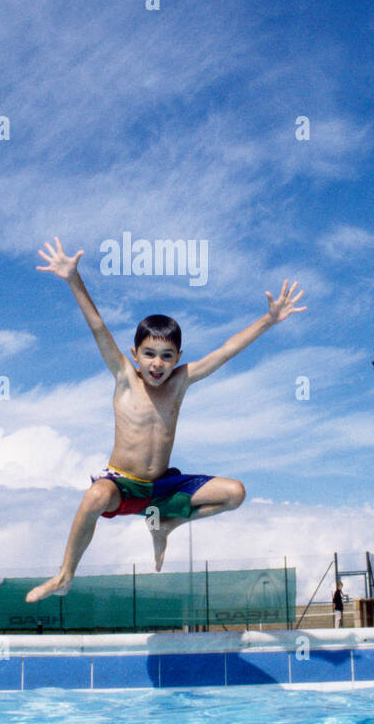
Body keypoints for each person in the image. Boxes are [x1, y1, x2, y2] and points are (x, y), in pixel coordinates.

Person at [26, 238, 307, 602]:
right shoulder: (125, 379)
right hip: (123, 487)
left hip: (162, 488)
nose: (157, 363)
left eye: (166, 355)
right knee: (94, 496)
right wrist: (73, 280)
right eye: (149, 354)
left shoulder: (180, 383)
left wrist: (269, 320)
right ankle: (65, 575)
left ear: (178, 357)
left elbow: (225, 351)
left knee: (234, 493)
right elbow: (98, 327)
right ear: (134, 354)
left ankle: (166, 524)